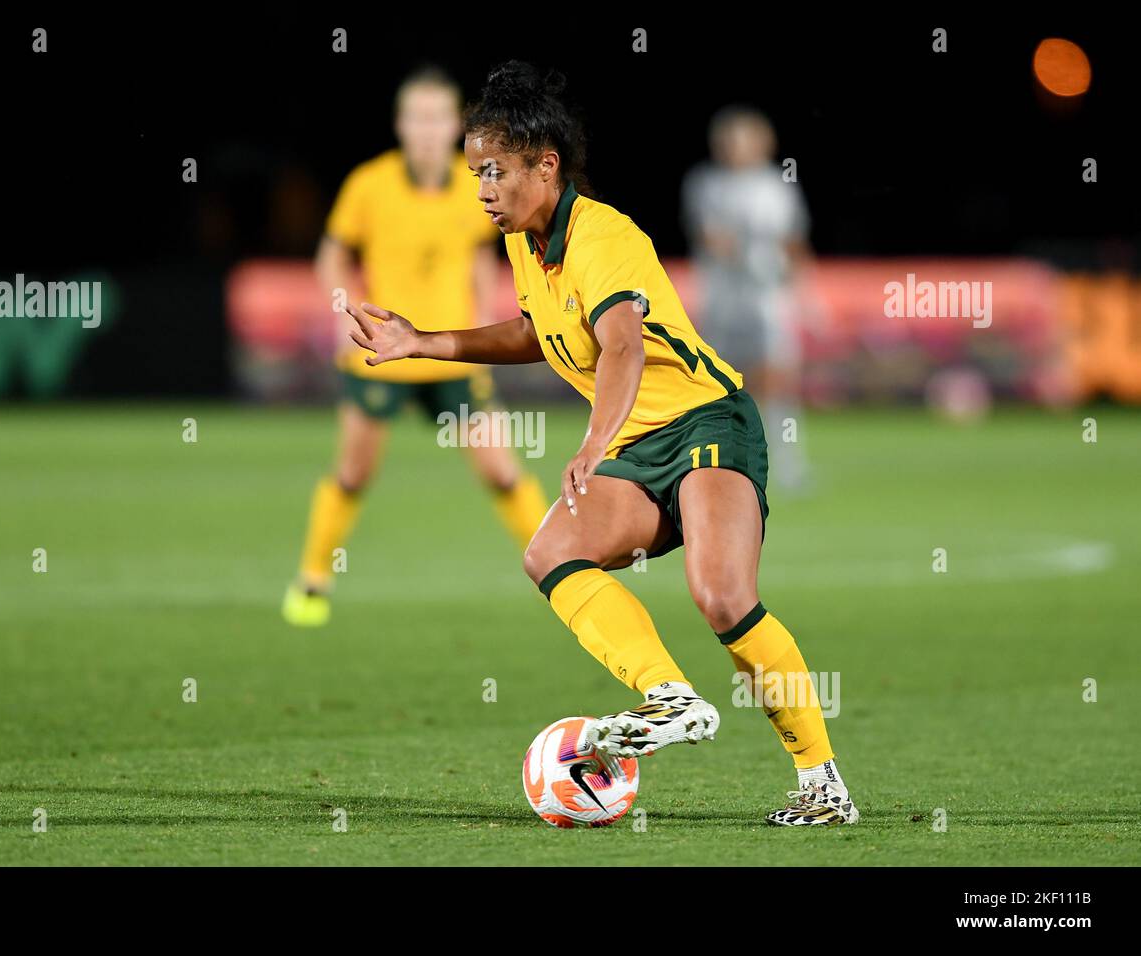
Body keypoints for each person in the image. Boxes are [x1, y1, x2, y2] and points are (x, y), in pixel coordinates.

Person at [345, 62, 858, 825]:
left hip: (706, 424)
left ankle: (823, 784)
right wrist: (424, 341)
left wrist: (594, 442)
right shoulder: (525, 240)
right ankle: (670, 697)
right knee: (548, 552)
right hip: (638, 443)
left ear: (544, 164)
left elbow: (621, 346)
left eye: (493, 171)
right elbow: (537, 332)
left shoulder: (604, 236)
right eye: (473, 171)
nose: (480, 188)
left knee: (722, 598)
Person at [283, 66, 549, 628]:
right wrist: (341, 307)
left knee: (502, 472)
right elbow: (332, 254)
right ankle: (312, 580)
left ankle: (557, 574)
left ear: (454, 124)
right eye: (417, 117)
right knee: (353, 476)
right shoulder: (369, 184)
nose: (427, 128)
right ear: (402, 124)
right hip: (381, 352)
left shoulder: (476, 181)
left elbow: (482, 252)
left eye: (438, 117)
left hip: (450, 352)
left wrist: (482, 313)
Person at [682, 107, 812, 490]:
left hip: (767, 302)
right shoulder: (706, 184)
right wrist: (751, 257)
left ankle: (786, 463)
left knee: (776, 380)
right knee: (716, 384)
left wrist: (801, 289)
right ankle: (710, 463)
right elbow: (711, 238)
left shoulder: (777, 185)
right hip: (724, 302)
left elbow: (793, 241)